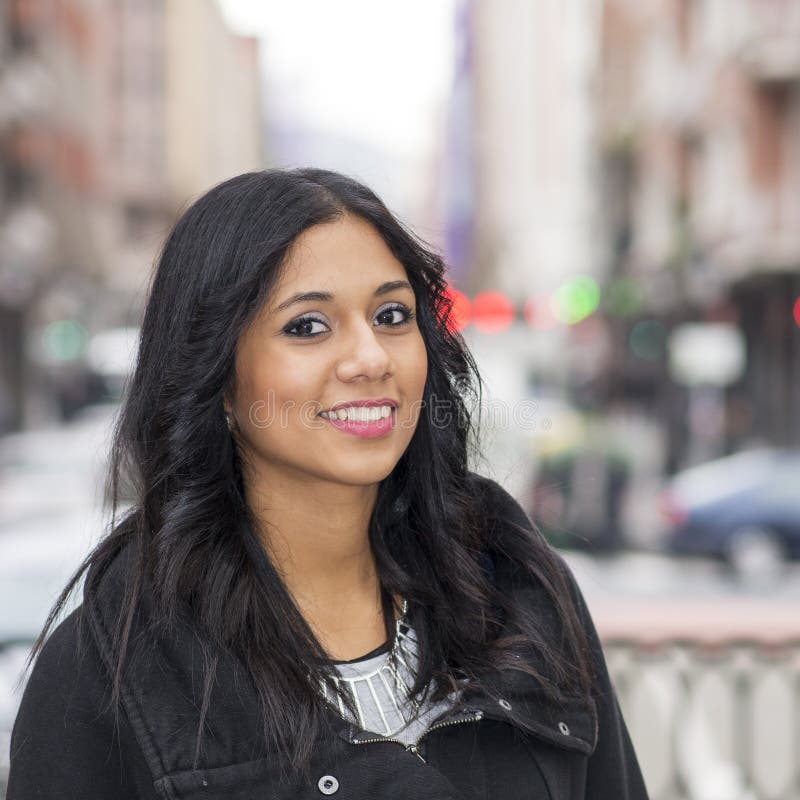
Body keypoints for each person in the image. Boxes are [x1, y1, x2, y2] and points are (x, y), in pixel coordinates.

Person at [7, 168, 649, 800]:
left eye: (393, 315)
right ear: (219, 375)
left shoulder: (521, 590)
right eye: (308, 326)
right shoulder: (105, 676)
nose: (371, 358)